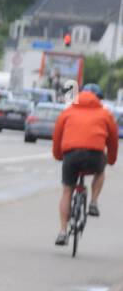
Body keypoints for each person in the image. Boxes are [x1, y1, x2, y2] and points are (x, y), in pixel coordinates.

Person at [52, 82, 118, 243]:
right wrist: (111, 159)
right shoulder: (105, 114)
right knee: (100, 172)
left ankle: (62, 232)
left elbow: (57, 136)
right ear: (99, 98)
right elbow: (113, 140)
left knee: (67, 190)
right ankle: (93, 202)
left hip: (71, 155)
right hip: (95, 154)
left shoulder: (68, 112)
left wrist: (58, 156)